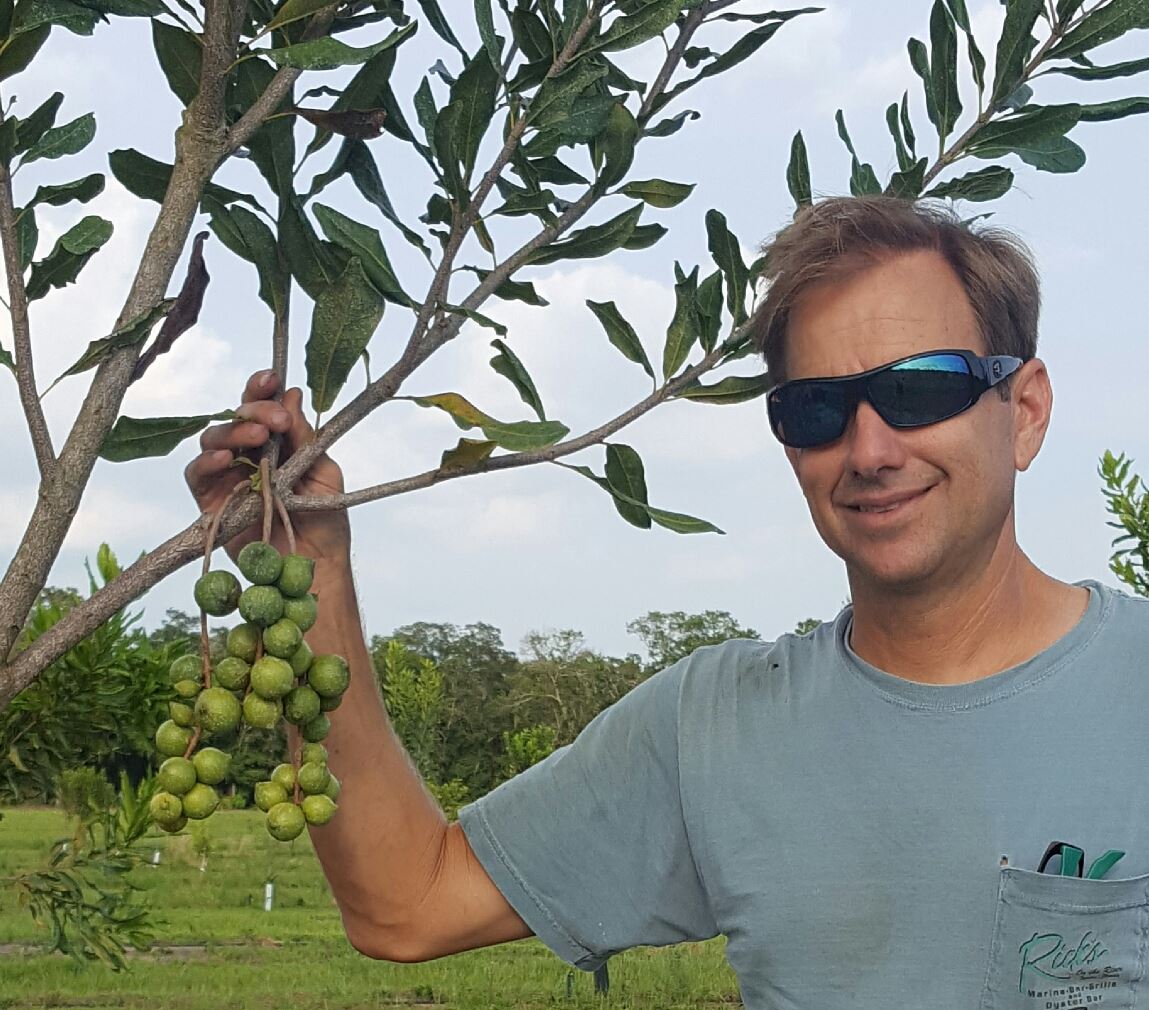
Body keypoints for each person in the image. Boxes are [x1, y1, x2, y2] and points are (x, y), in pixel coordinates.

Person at [185, 195, 1149, 1008]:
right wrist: (311, 579)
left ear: (1022, 412)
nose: (869, 449)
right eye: (814, 407)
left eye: (919, 389)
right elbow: (407, 899)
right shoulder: (714, 727)